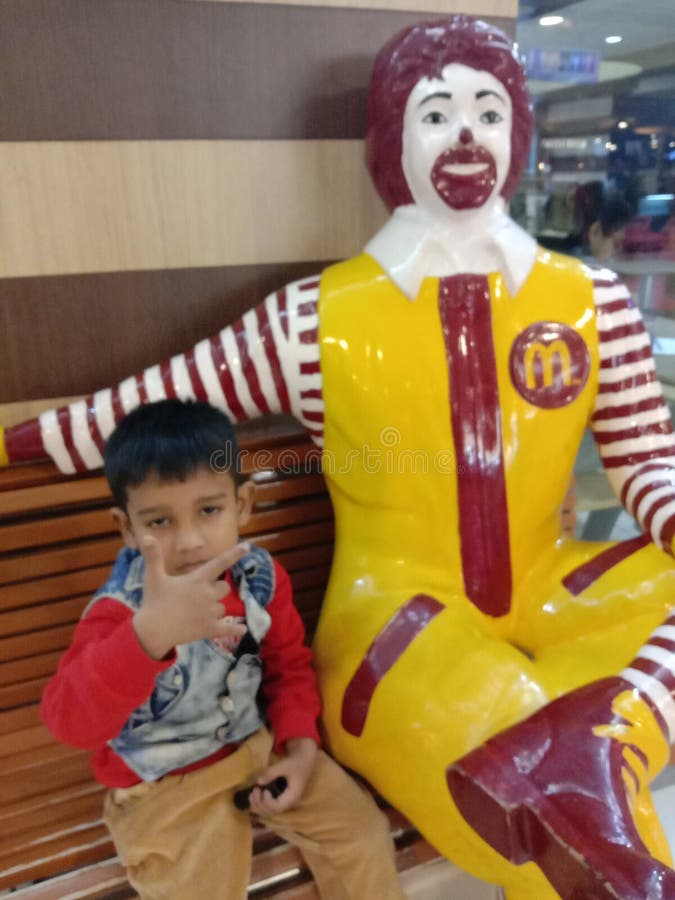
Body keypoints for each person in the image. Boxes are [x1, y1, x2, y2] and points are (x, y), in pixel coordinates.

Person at [4, 15, 675, 900]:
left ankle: (607, 737)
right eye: (435, 115)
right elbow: (150, 399)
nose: (466, 136)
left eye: (487, 112)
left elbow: (647, 461)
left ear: (516, 133)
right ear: (392, 140)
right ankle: (603, 778)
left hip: (557, 587)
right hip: (398, 624)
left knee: (552, 782)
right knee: (532, 790)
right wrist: (16, 441)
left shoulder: (593, 301)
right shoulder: (313, 319)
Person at [40, 399, 404, 900]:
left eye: (208, 510)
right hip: (164, 789)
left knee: (362, 838)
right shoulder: (120, 612)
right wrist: (148, 637)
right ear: (126, 529)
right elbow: (68, 722)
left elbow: (289, 667)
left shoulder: (261, 581)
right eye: (159, 522)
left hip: (260, 748)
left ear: (243, 504)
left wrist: (301, 748)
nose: (189, 541)